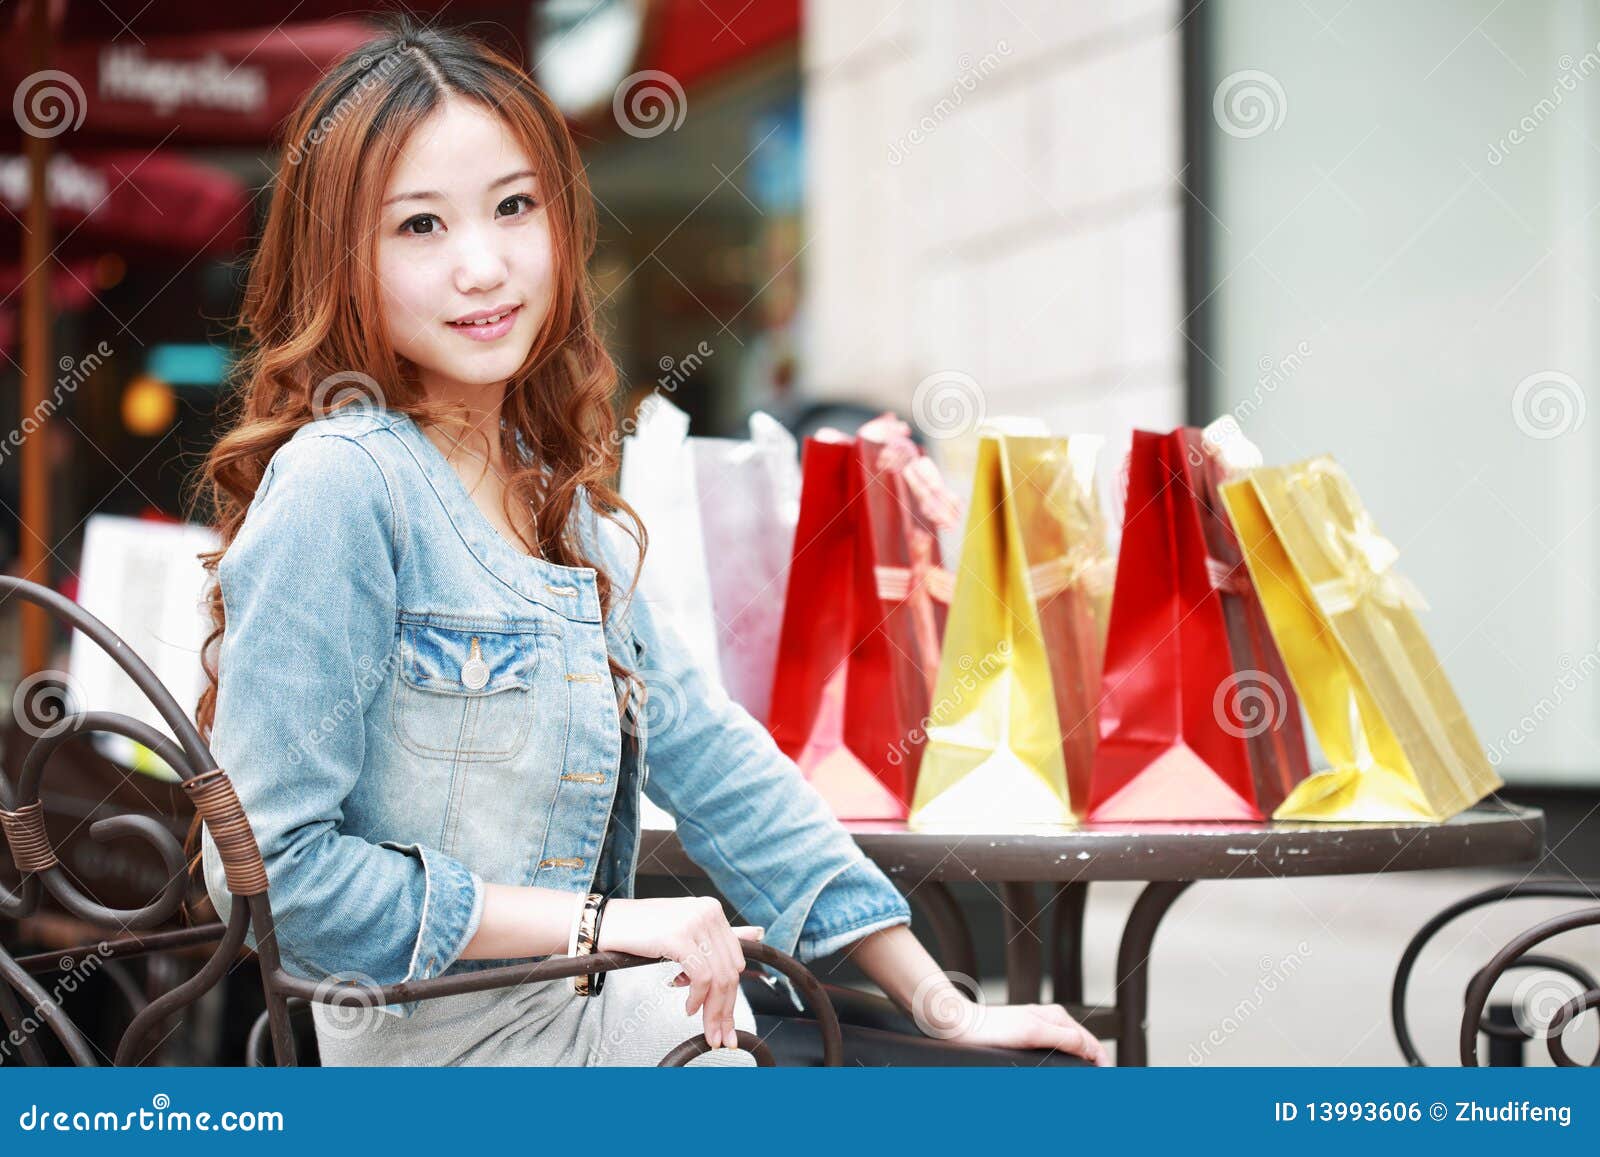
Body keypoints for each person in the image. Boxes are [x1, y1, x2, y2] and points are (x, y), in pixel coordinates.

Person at [193, 16, 1107, 1068]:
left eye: (512, 207)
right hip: (456, 1064)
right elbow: (268, 871)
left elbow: (714, 759)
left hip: (612, 1026)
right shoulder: (344, 484)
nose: (484, 266)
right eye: (419, 228)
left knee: (994, 1074)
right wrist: (597, 926)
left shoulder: (557, 502)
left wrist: (940, 998)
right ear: (338, 255)